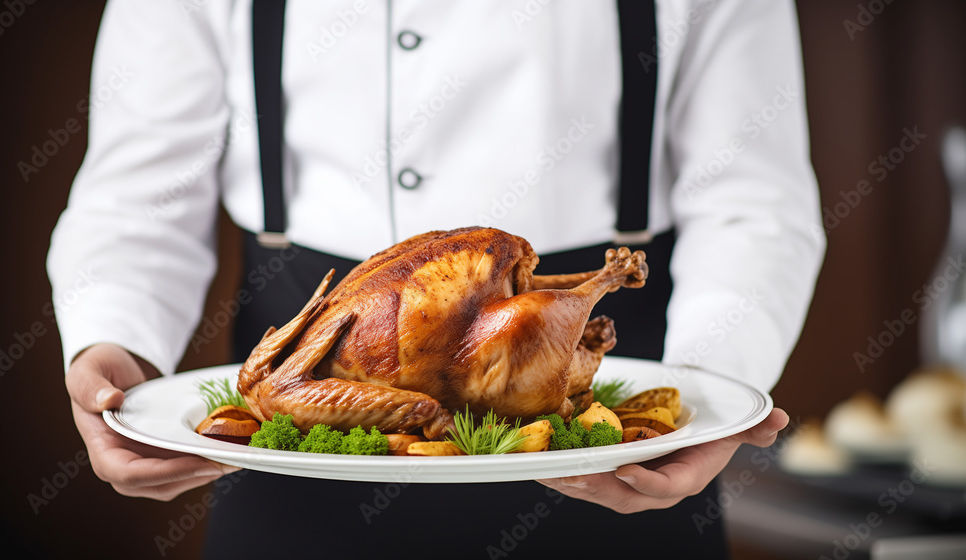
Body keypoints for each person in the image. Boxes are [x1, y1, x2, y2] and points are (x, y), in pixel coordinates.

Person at [49, 0, 820, 557]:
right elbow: (137, 197)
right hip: (305, 445)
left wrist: (709, 394)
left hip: (606, 460)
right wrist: (114, 347)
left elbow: (753, 198)